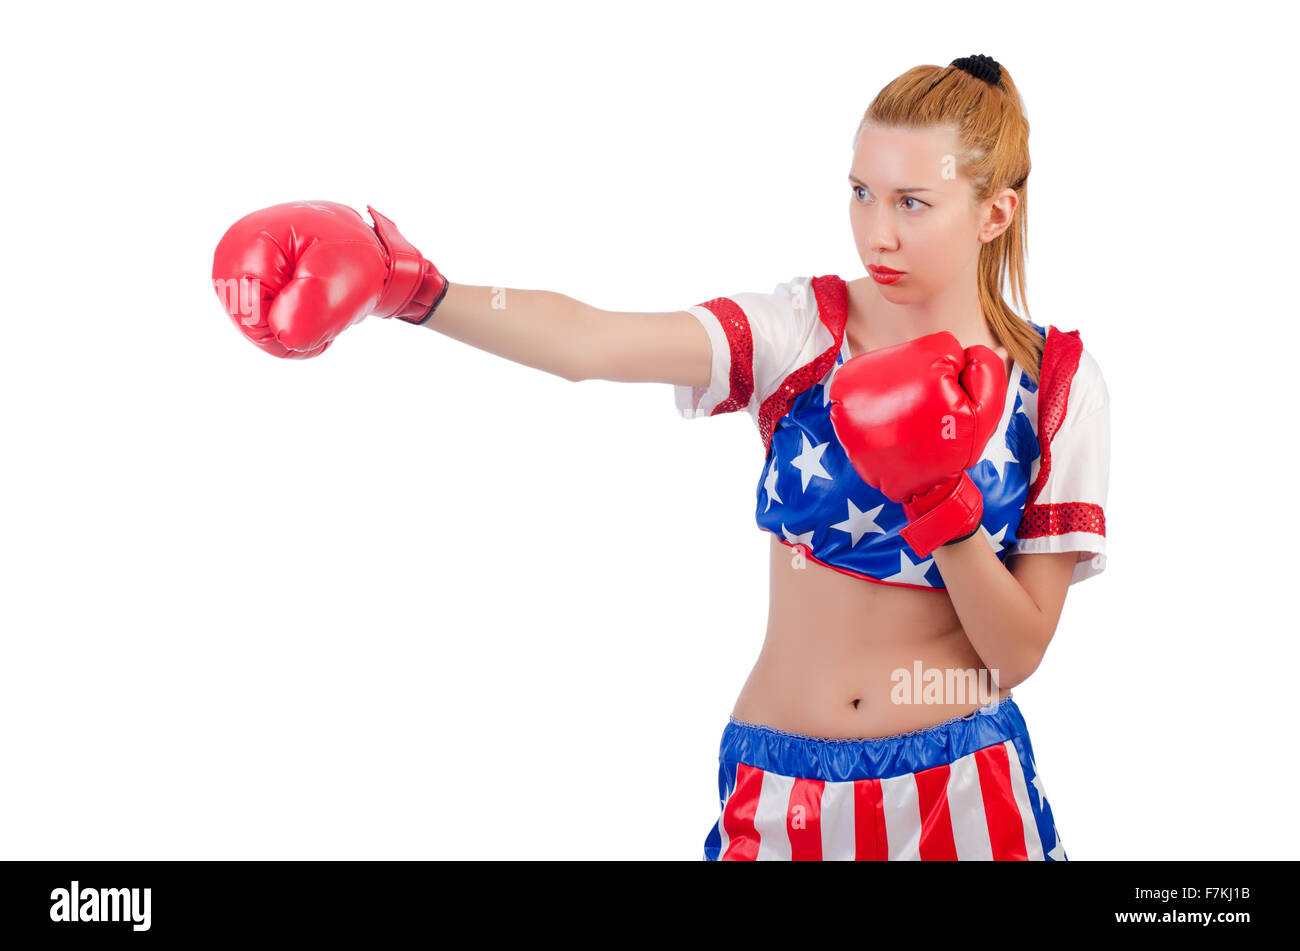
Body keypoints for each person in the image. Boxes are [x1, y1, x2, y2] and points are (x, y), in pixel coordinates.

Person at [211, 54, 1109, 861]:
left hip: (961, 794)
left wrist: (938, 498)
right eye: (861, 192)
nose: (877, 232)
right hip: (781, 791)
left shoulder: (1057, 383)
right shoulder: (806, 328)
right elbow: (591, 341)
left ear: (996, 211)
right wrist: (423, 292)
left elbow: (1017, 649)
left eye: (913, 202)